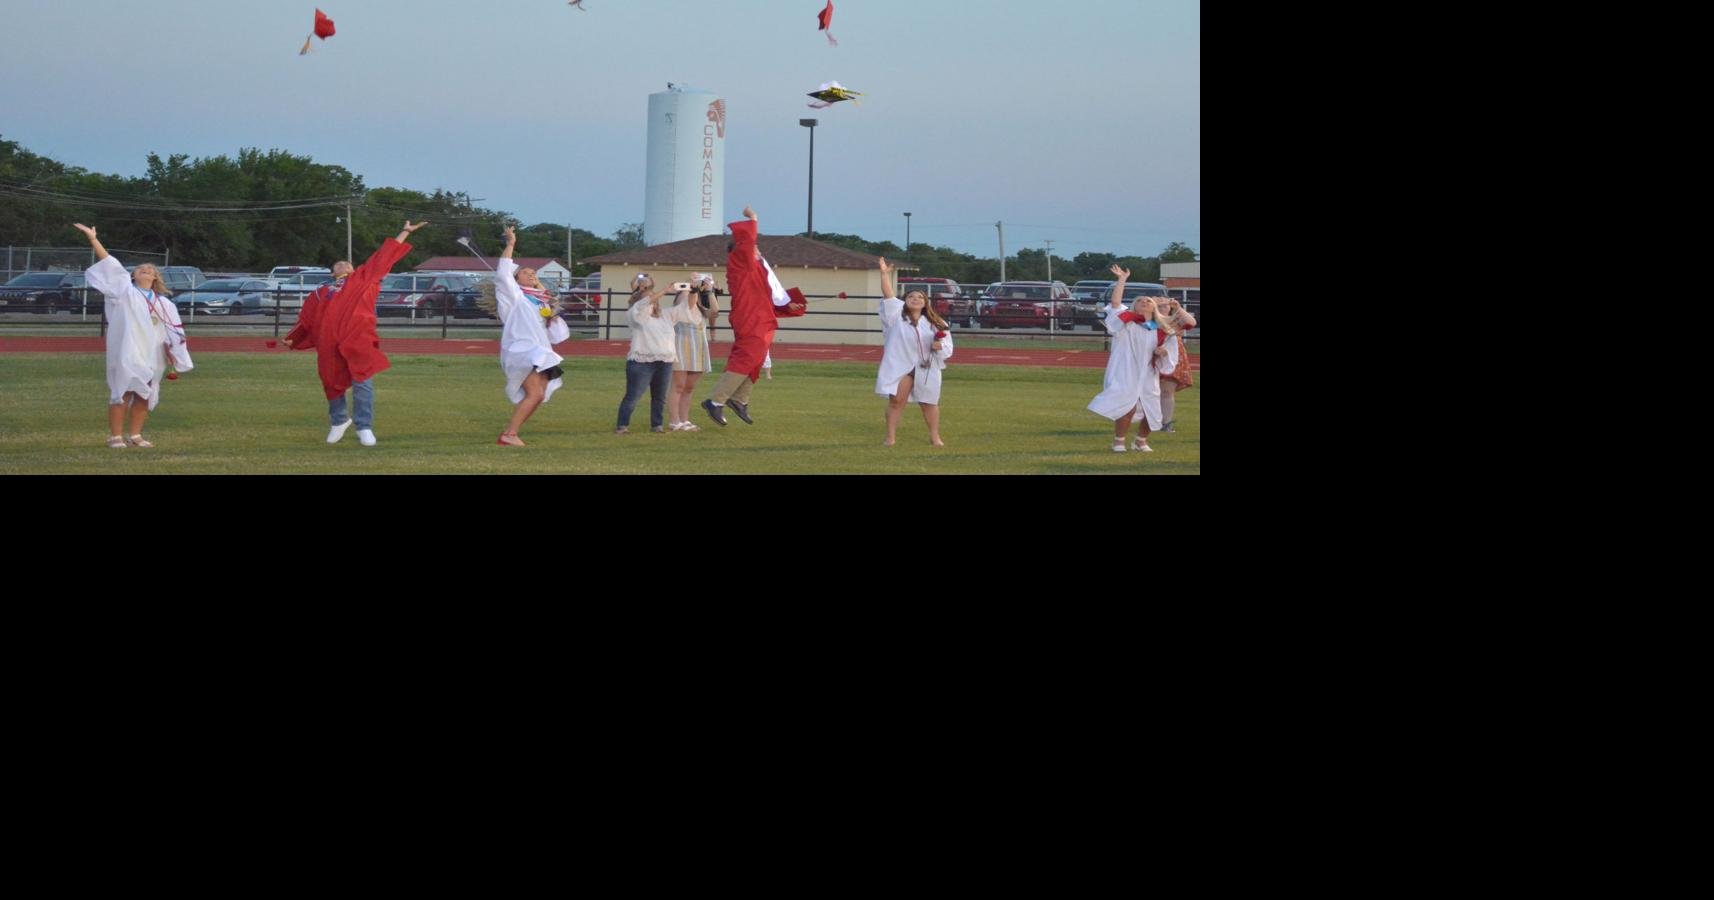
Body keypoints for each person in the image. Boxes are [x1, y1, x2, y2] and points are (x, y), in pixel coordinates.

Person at [282, 221, 428, 445]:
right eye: (337, 264)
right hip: (329, 341)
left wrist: (405, 232)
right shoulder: (320, 292)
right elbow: (307, 319)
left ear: (352, 269)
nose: (342, 264)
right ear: (333, 273)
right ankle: (339, 420)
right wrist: (293, 336)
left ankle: (364, 426)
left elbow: (383, 256)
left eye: (346, 263)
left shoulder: (364, 278)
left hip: (357, 337)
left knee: (362, 379)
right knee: (330, 381)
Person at [74, 223, 193, 448]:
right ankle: (116, 437)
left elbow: (175, 330)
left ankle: (136, 435)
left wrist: (173, 351)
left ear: (155, 277)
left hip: (153, 352)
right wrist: (93, 239)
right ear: (132, 275)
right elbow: (109, 264)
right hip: (128, 349)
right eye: (140, 268)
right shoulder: (125, 292)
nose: (145, 270)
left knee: (145, 394)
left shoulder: (165, 303)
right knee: (124, 390)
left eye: (150, 269)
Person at [701, 205, 807, 426]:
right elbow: (747, 243)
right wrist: (753, 219)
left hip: (760, 316)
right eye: (754, 248)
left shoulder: (756, 270)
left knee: (757, 359)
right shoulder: (741, 264)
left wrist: (788, 305)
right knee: (747, 357)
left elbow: (767, 293)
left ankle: (739, 398)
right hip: (751, 318)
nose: (758, 251)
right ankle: (716, 401)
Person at [495, 225, 572, 446]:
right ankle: (509, 434)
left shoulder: (540, 301)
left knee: (538, 395)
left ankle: (510, 433)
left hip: (540, 350)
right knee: (534, 393)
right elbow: (502, 274)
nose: (531, 275)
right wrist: (510, 245)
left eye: (534, 274)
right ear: (516, 278)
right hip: (523, 350)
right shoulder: (514, 296)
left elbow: (557, 335)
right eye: (526, 273)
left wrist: (550, 307)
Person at [1087, 266, 1178, 452]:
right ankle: (1118, 441)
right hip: (1125, 371)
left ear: (1154, 307)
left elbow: (1169, 351)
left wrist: (1162, 352)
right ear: (1134, 306)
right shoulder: (1126, 324)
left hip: (1147, 374)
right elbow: (1115, 303)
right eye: (1140, 301)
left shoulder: (1160, 330)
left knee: (1151, 409)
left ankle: (1140, 440)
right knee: (1126, 407)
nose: (1144, 302)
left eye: (1148, 300)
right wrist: (1122, 279)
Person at [875, 257, 953, 446]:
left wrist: (939, 346)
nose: (915, 299)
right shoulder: (895, 318)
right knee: (897, 401)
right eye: (911, 297)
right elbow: (888, 295)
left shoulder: (937, 323)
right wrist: (884, 275)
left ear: (925, 302)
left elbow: (948, 347)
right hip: (902, 366)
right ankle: (890, 437)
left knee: (929, 404)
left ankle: (935, 437)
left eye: (919, 297)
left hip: (927, 368)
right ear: (905, 301)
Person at [617, 274, 678, 434]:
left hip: (664, 361)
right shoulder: (635, 315)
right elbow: (644, 303)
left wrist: (692, 289)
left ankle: (657, 425)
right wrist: (665, 289)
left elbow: (684, 310)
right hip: (641, 362)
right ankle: (622, 425)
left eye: (653, 296)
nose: (651, 299)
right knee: (633, 396)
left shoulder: (664, 315)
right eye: (648, 297)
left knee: (659, 397)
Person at [667, 273, 717, 431]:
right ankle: (675, 421)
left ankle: (684, 419)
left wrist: (709, 290)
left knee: (689, 388)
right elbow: (688, 301)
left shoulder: (700, 308)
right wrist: (691, 284)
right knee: (678, 386)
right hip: (682, 347)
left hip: (698, 349)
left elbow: (714, 311)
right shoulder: (682, 303)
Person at [1155, 296, 1197, 432]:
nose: (1162, 308)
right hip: (1152, 357)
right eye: (1159, 305)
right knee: (1150, 391)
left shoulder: (1175, 320)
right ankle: (1151, 421)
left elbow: (1191, 322)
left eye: (1165, 305)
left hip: (1173, 357)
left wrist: (1178, 307)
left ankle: (1166, 423)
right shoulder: (1148, 320)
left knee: (1167, 391)